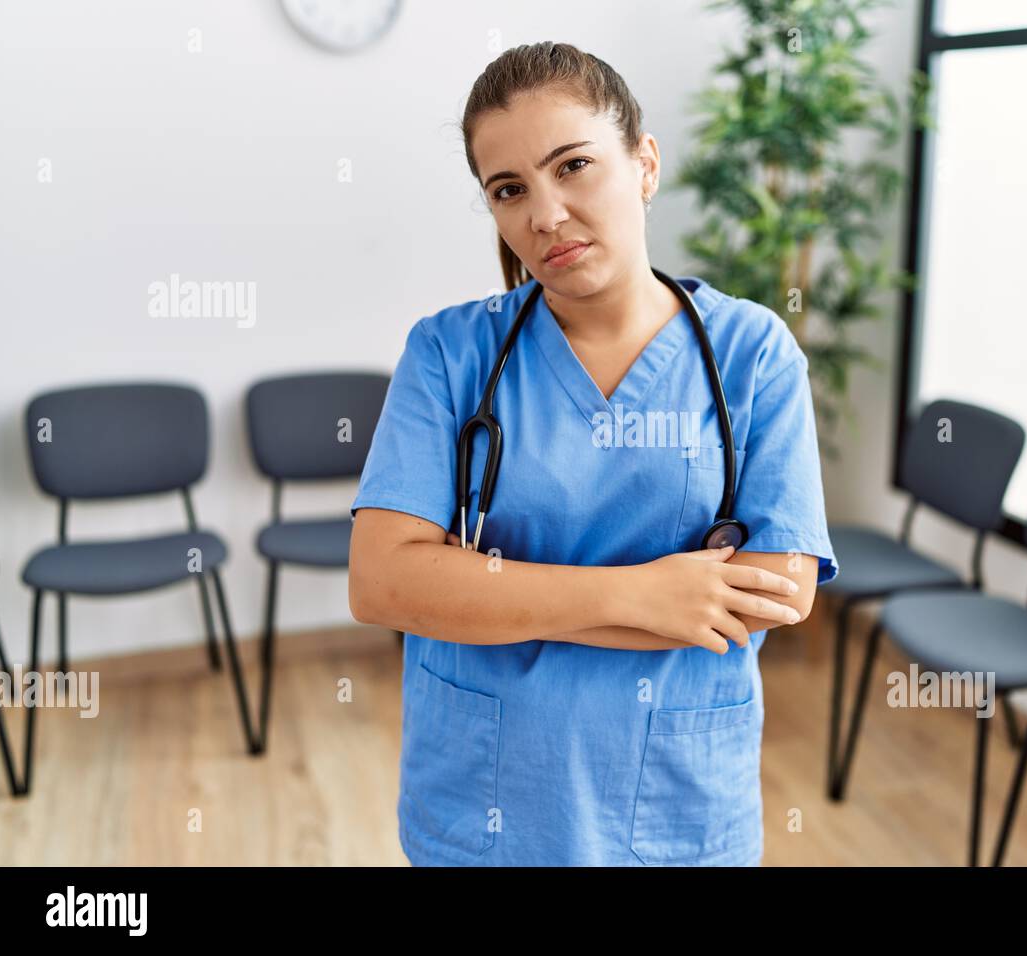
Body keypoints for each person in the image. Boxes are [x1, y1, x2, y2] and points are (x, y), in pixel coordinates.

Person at [348, 40, 838, 866]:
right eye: (509, 190)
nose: (544, 214)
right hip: (487, 806)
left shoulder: (752, 352)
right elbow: (384, 581)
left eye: (572, 166)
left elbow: (775, 593)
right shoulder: (450, 354)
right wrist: (648, 594)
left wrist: (488, 599)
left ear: (644, 164)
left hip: (676, 809)